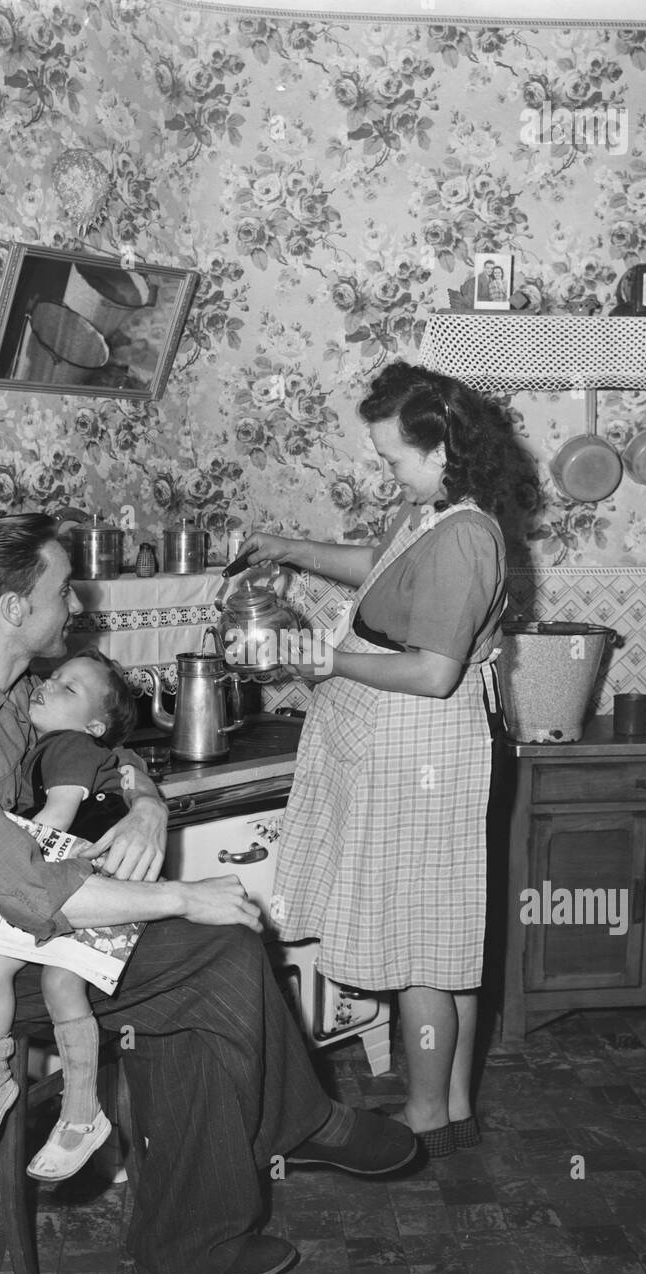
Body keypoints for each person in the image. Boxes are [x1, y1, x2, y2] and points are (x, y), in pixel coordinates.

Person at [0, 514, 415, 1274]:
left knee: (197, 986)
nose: (75, 608)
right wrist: (182, 893)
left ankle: (196, 1239)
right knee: (216, 949)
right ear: (16, 610)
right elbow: (27, 895)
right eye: (61, 591)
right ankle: (294, 1133)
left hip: (9, 924)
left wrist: (145, 800)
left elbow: (100, 753)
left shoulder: (4, 690)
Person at [239, 361, 515, 1160]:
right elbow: (384, 572)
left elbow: (432, 673)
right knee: (444, 941)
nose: (386, 470)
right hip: (402, 740)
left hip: (423, 745)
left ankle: (424, 1117)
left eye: (394, 456)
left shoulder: (465, 536)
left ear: (444, 452)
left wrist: (330, 663)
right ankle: (454, 1103)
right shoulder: (434, 511)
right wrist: (288, 547)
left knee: (420, 944)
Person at [0, 648, 144, 1183]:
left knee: (4, 968)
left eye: (69, 688)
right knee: (52, 981)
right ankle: (61, 1106)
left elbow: (56, 820)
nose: (49, 685)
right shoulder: (60, 742)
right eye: (54, 677)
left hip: (91, 885)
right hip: (84, 882)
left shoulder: (69, 745)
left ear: (94, 724)